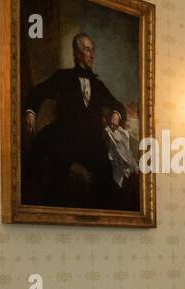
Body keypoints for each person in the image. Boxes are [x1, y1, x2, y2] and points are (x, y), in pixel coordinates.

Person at [23, 32, 133, 210]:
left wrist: (116, 114)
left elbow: (117, 104)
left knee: (107, 173)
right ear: (77, 53)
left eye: (92, 50)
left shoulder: (97, 85)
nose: (92, 55)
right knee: (56, 176)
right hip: (64, 138)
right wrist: (31, 112)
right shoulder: (63, 77)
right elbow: (37, 93)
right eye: (87, 50)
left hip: (90, 142)